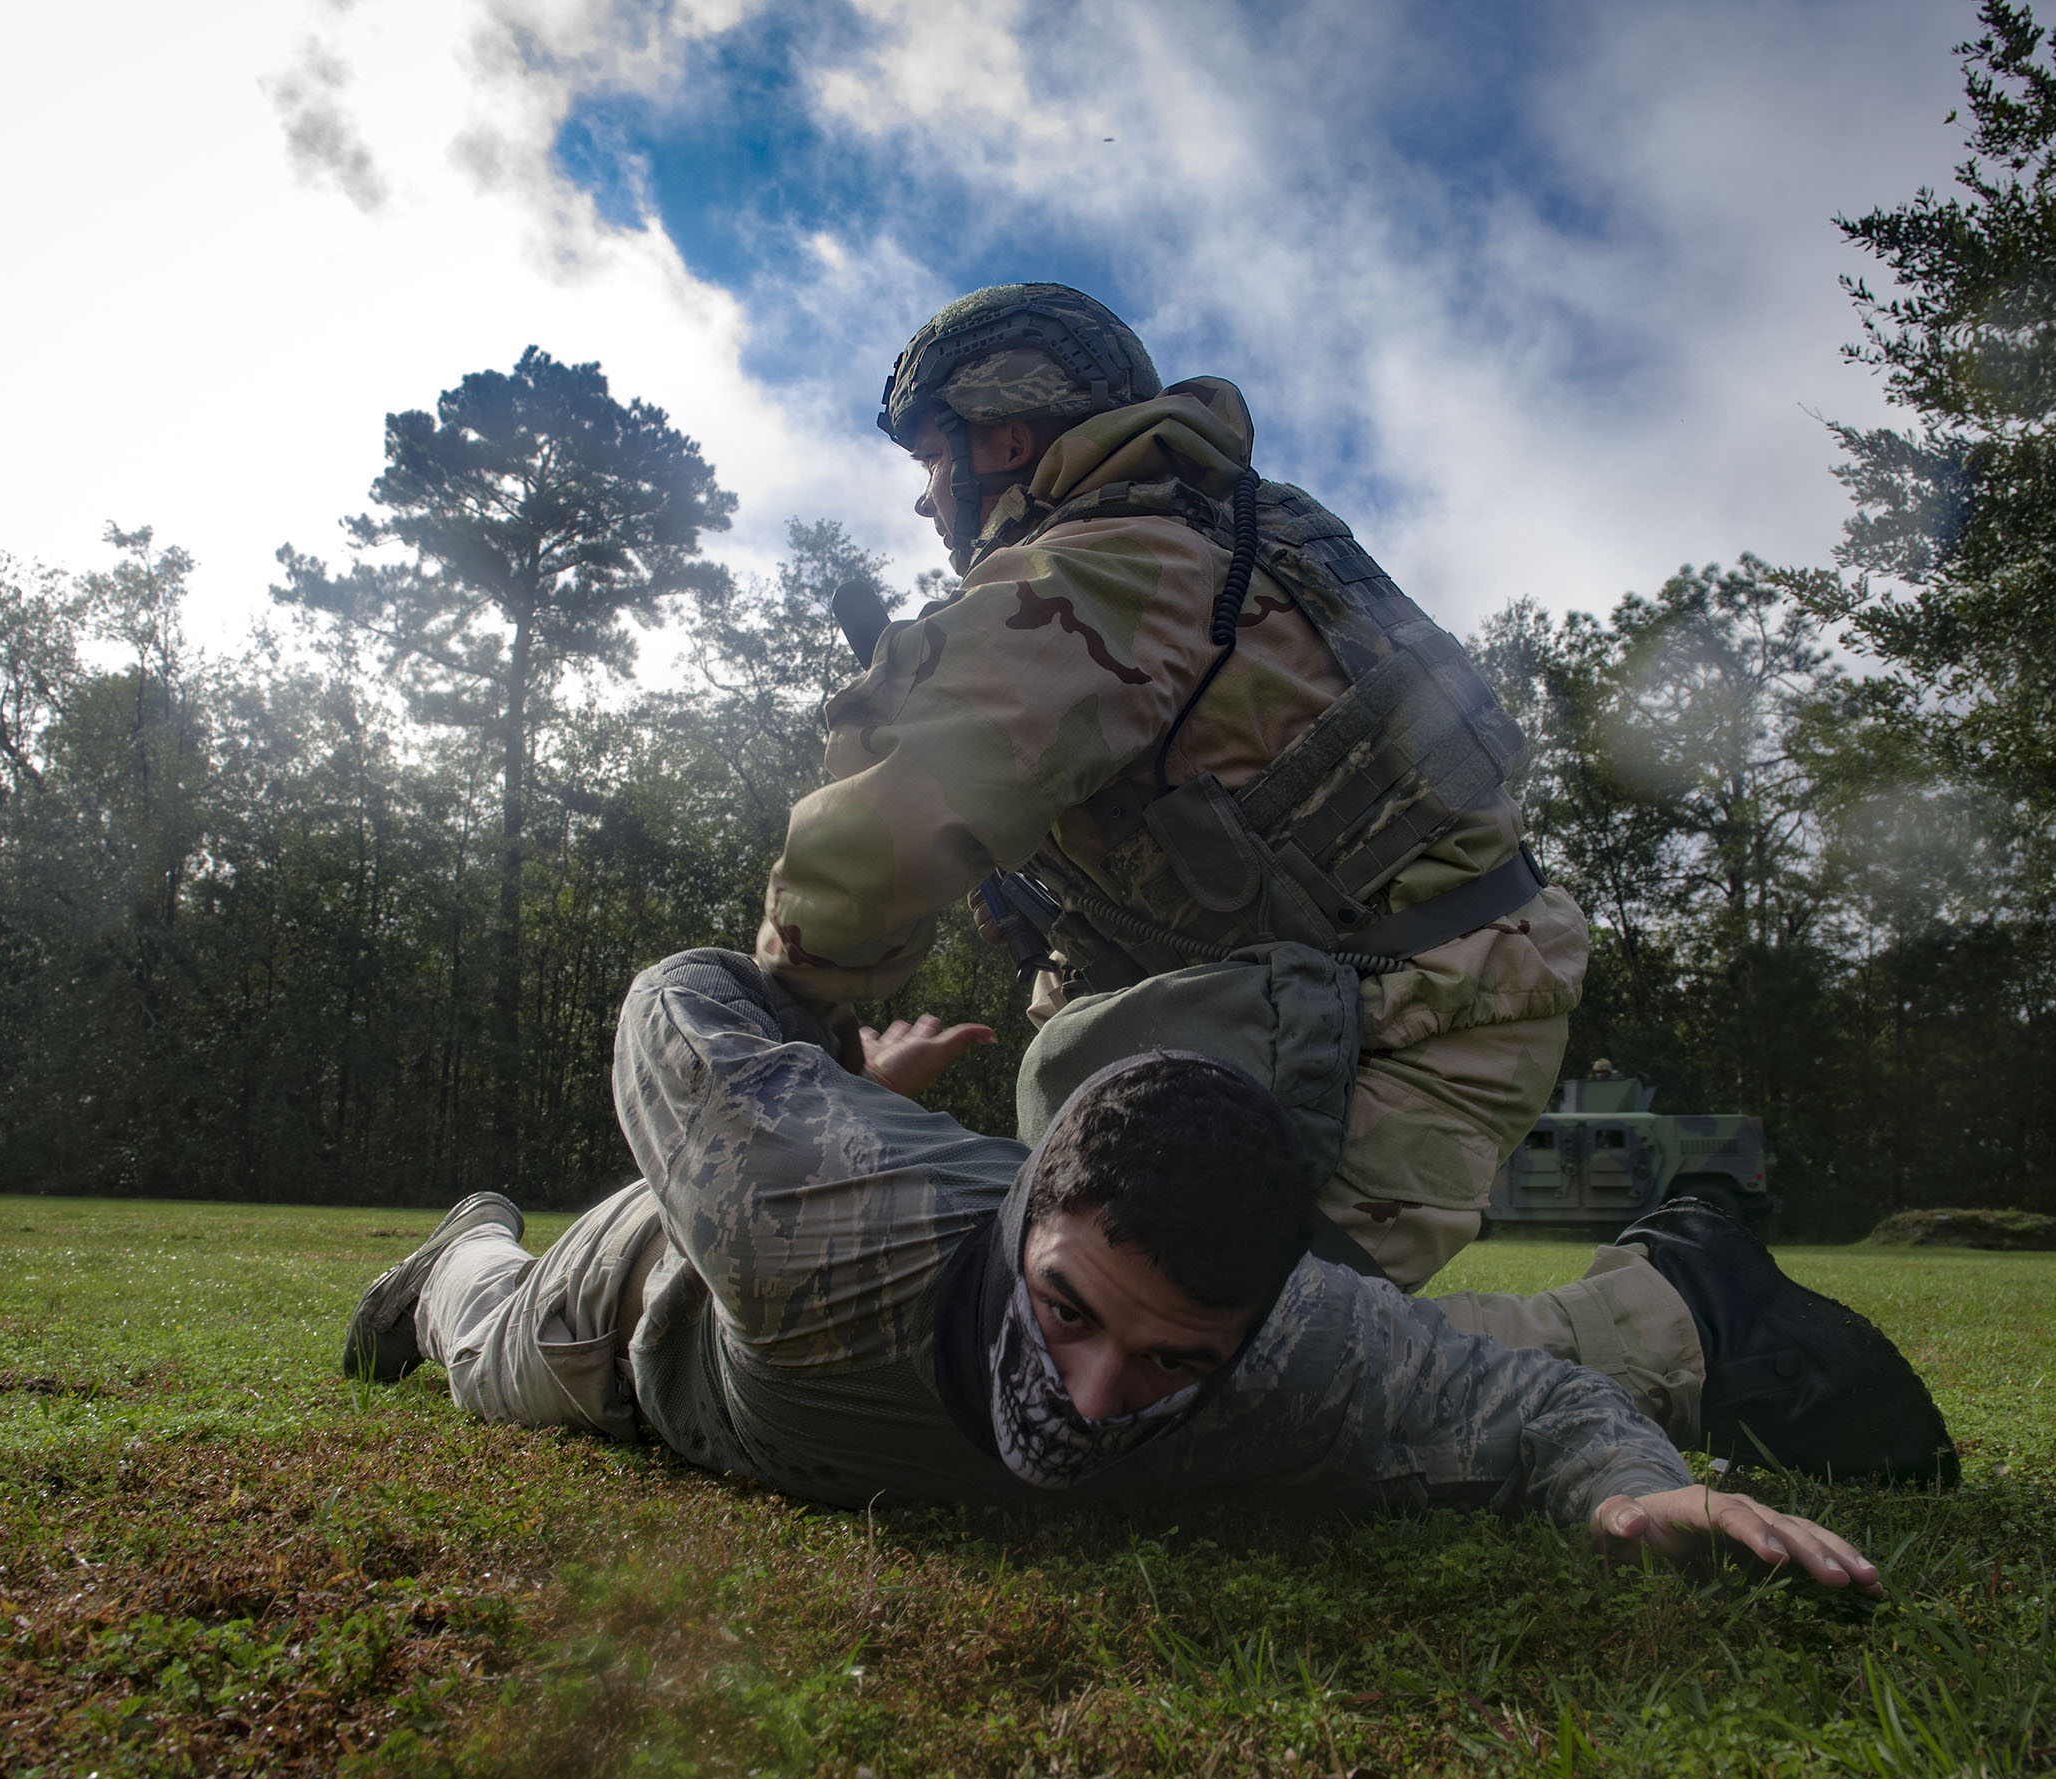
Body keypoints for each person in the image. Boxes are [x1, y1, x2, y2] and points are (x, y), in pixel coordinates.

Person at [748, 282, 1951, 1474]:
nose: (925, 491)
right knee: (1113, 1332)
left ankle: (1681, 1323)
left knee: (1200, 1372)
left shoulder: (1105, 572)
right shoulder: (1205, 533)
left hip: (1411, 1017)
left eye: (931, 454)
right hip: (1378, 992)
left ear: (1003, 434)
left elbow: (864, 854)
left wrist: (780, 1065)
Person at [342, 949, 1890, 1588]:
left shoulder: (1298, 1349)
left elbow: (1532, 1407)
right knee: (490, 1348)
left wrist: (1633, 1487)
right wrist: (820, 1036)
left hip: (855, 1171)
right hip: (643, 1313)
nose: (1092, 1400)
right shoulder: (797, 1203)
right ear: (1029, 1220)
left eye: (1169, 1363)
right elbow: (670, 1005)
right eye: (1068, 1311)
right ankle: (459, 1241)